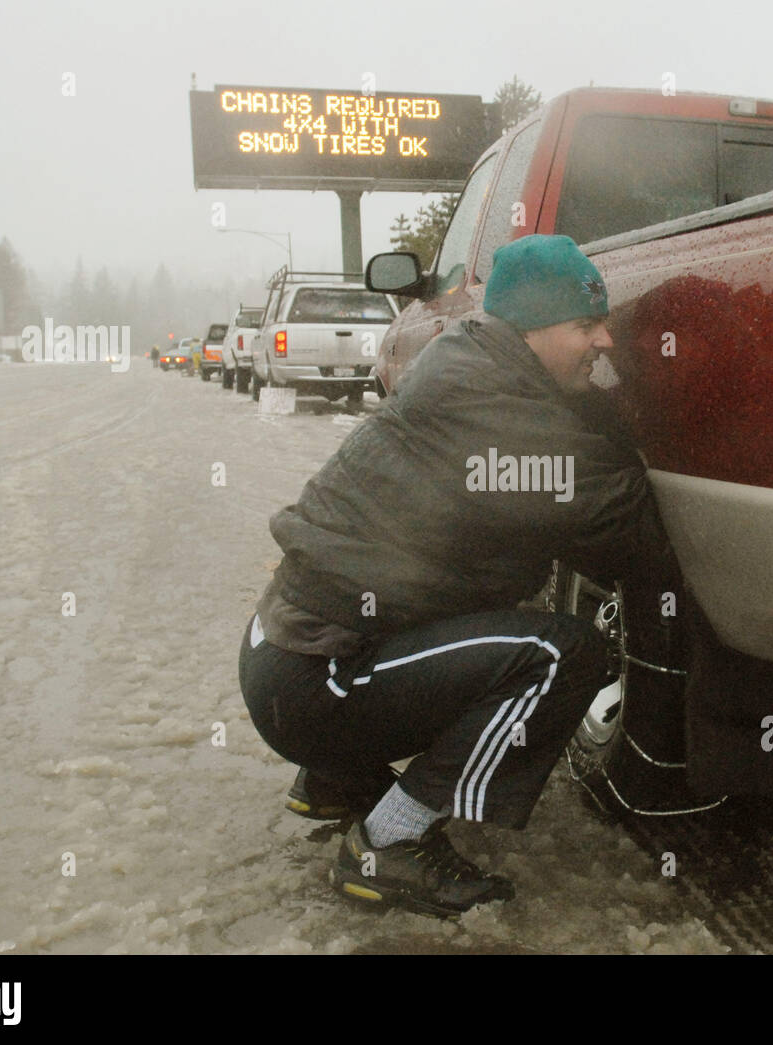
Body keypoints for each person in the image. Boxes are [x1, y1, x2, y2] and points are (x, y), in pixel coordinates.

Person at [238, 235, 680, 916]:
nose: (605, 343)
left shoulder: (468, 362)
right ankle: (387, 842)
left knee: (461, 592)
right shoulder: (489, 406)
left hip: (290, 651)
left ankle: (337, 781)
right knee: (561, 654)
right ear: (531, 328)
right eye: (586, 325)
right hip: (311, 680)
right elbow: (620, 516)